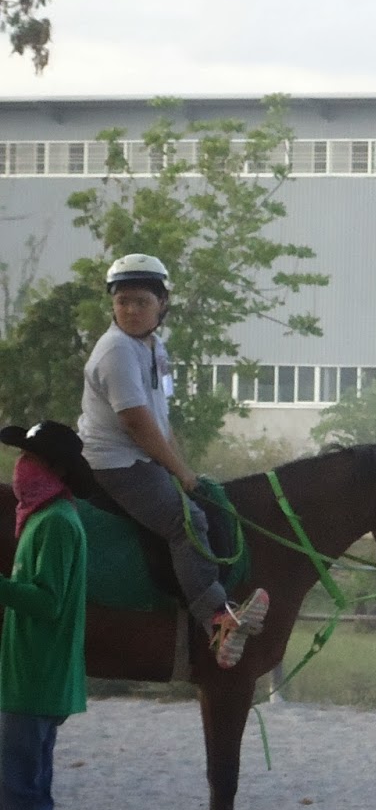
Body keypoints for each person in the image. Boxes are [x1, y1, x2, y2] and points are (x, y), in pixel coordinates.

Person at [78, 253, 268, 668]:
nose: (130, 309)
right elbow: (137, 424)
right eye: (122, 301)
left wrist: (183, 467)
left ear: (162, 304)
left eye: (141, 301)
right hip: (116, 462)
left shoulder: (153, 348)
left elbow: (161, 416)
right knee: (189, 525)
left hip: (141, 457)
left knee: (208, 499)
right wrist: (179, 471)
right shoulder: (116, 351)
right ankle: (217, 623)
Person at [0, 420, 95, 810]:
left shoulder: (55, 523)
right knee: (28, 788)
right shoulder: (42, 519)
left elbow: (46, 601)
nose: (20, 468)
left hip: (36, 680)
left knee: (16, 793)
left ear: (52, 470)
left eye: (29, 459)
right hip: (29, 676)